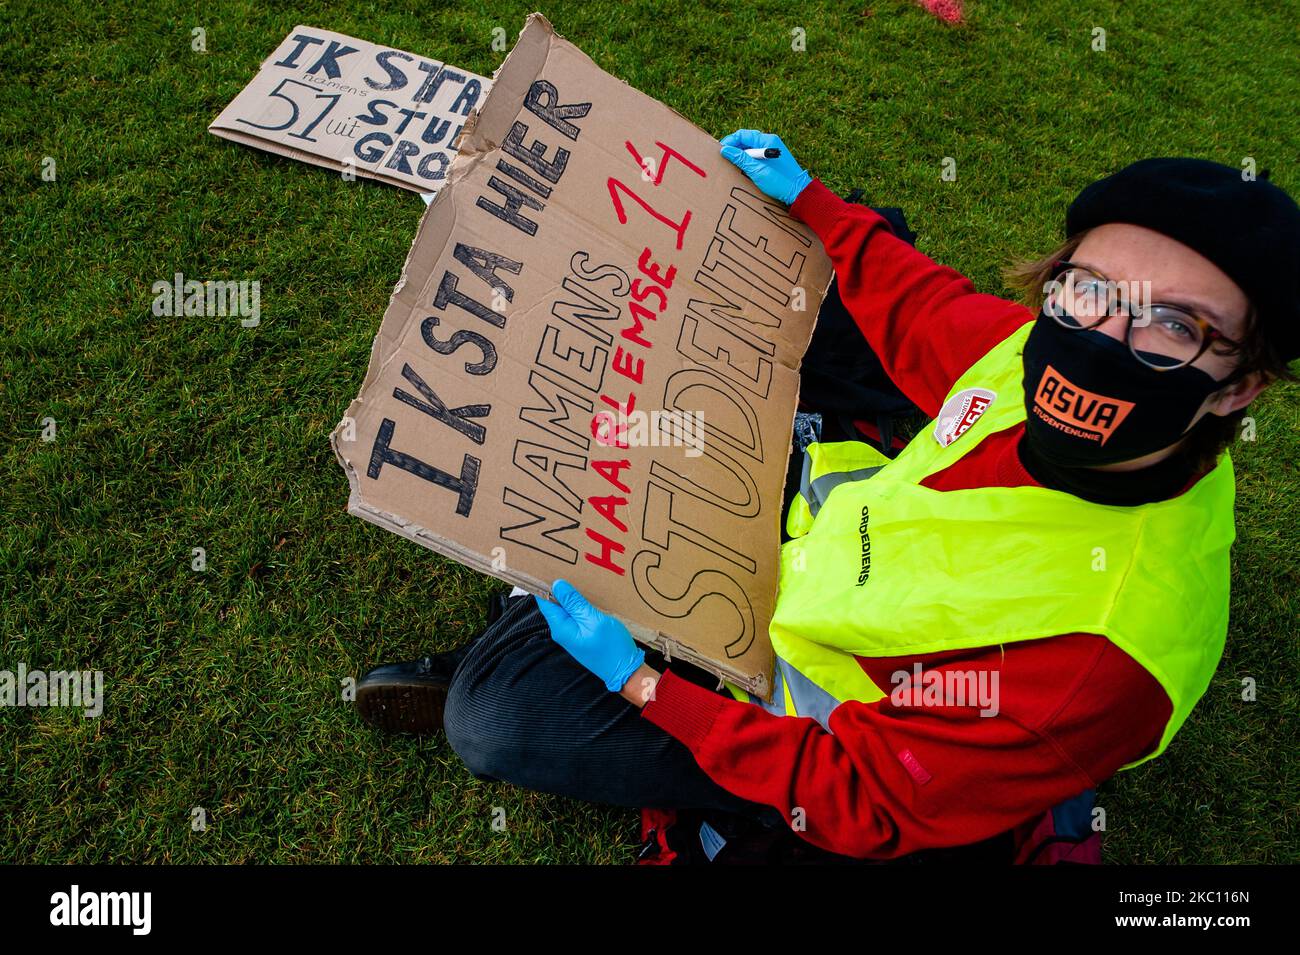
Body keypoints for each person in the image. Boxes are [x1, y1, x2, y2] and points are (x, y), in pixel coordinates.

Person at [354, 131, 1299, 862]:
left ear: (1241, 384)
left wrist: (642, 684)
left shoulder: (1100, 656)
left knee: (495, 716)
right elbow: (923, 310)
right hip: (808, 548)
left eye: (1174, 324)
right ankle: (554, 606)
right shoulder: (1029, 350)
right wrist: (814, 203)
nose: (1101, 336)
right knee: (817, 283)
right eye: (1086, 289)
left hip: (816, 722)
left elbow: (860, 798)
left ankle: (538, 627)